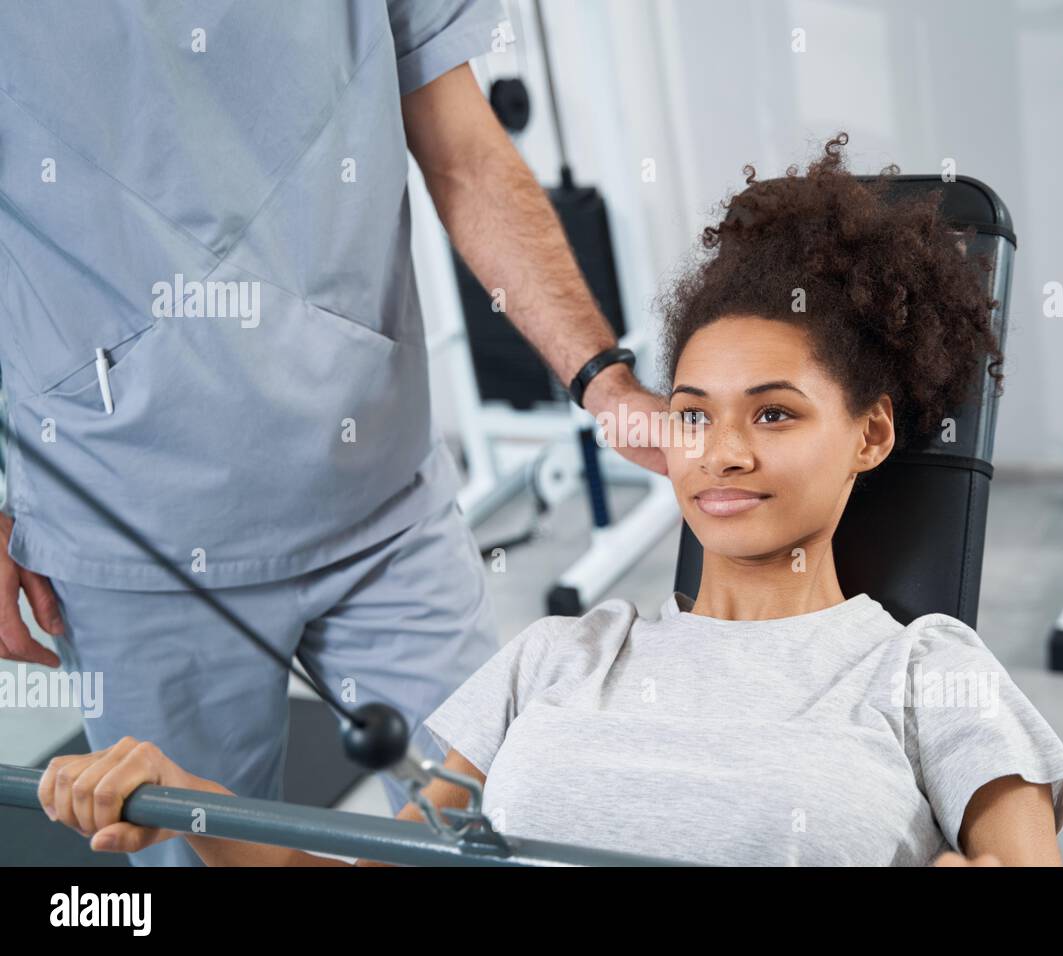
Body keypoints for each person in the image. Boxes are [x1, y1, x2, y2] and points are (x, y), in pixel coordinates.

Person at [39, 134, 1063, 866]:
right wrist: (200, 805)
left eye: (772, 415)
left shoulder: (924, 667)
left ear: (871, 433)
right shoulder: (558, 654)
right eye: (691, 413)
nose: (718, 452)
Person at [0, 0, 666, 866]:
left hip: (379, 491)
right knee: (183, 849)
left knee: (488, 832)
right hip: (131, 516)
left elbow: (465, 151)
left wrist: (603, 380)